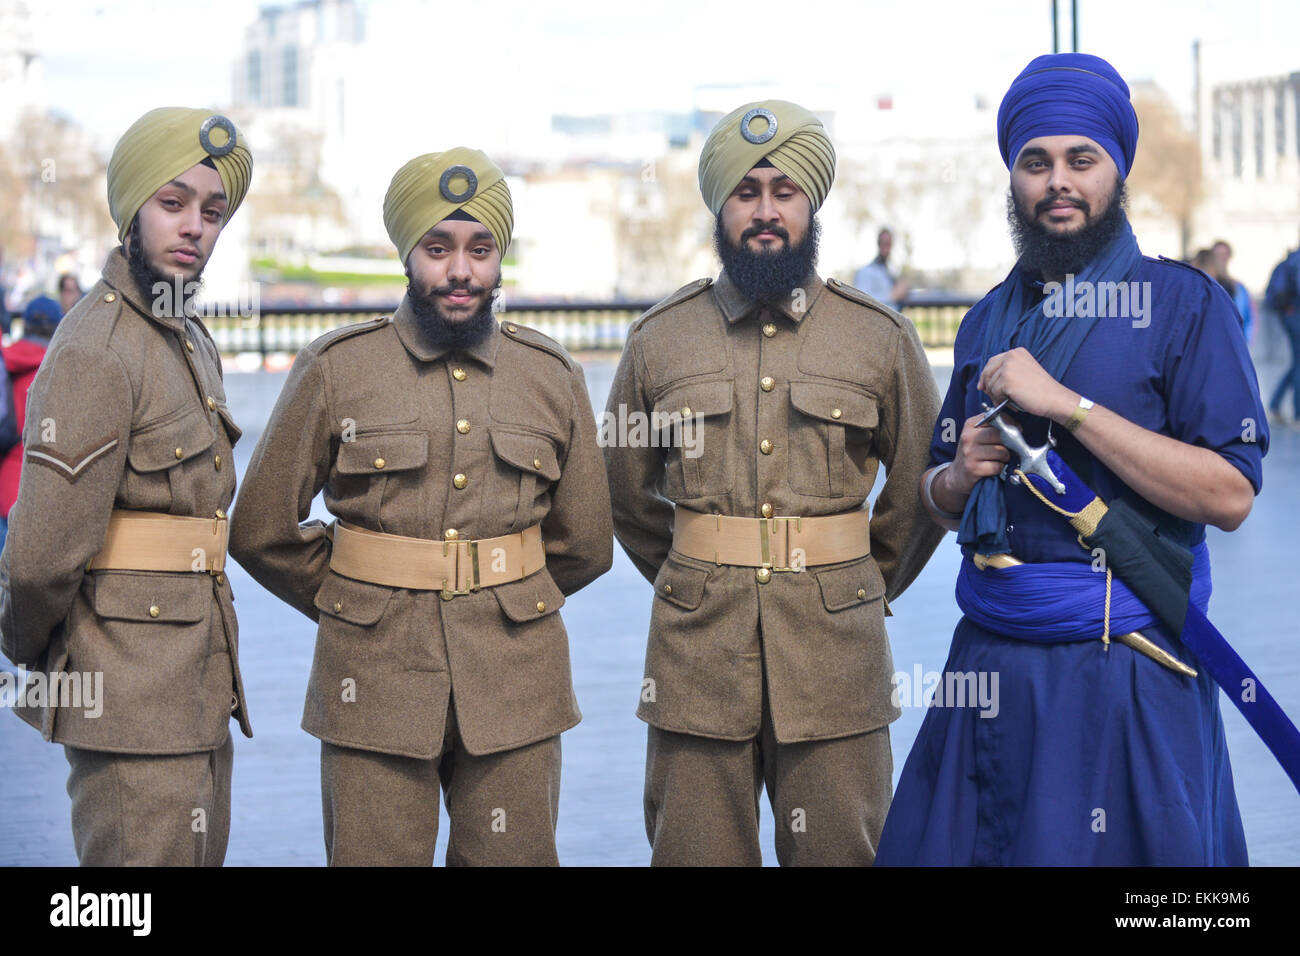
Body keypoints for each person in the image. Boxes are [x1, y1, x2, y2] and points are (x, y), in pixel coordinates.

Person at [876, 53, 1269, 866]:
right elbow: (940, 494)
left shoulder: (1185, 306)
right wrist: (957, 476)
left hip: (1128, 667)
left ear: (1115, 170)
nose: (1059, 181)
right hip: (988, 666)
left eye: (1080, 160)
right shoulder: (987, 319)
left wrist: (1070, 409)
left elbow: (1230, 494)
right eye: (1036, 162)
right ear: (1013, 178)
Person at [229, 148, 613, 866]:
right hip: (371, 682)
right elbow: (260, 529)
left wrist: (508, 595)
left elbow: (587, 541)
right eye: (438, 249)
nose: (460, 271)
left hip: (515, 684)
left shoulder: (552, 375)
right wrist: (358, 599)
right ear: (407, 253)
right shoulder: (337, 367)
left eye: (480, 249)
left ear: (501, 259)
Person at [603, 100, 943, 866]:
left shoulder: (877, 336)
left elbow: (922, 486)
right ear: (720, 207)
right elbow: (624, 493)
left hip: (837, 664)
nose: (765, 212)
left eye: (784, 192)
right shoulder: (660, 338)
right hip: (696, 663)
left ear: (812, 203)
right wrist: (697, 572)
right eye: (746, 192)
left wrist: (854, 580)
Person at [0, 108, 254, 865]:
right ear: (130, 210)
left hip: (197, 689)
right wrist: (26, 650)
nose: (194, 228)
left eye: (212, 212)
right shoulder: (97, 349)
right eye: (171, 204)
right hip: (127, 700)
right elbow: (42, 556)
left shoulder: (185, 337)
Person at [0, 296, 61, 555]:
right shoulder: (65, 370)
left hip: (4, 492)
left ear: (24, 325)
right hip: (44, 498)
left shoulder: (4, 363)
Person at [1265, 238, 1300, 424]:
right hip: (1296, 314)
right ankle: (1298, 414)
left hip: (1290, 314)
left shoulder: (1292, 258)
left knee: (1297, 364)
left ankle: (1275, 405)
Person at [854, 227, 909, 310]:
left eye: (889, 244)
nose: (887, 249)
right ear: (878, 244)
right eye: (884, 244)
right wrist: (894, 295)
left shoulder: (888, 270)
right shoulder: (865, 272)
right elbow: (862, 301)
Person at [1209, 240, 1254, 341]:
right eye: (1218, 255)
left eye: (1225, 254)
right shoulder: (1205, 283)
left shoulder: (1238, 287)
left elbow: (1248, 317)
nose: (1222, 258)